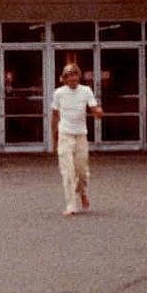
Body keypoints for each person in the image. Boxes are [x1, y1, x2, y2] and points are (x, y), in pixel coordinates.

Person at [50, 63, 104, 216]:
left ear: (79, 77)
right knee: (67, 171)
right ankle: (71, 205)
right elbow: (54, 116)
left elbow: (94, 109)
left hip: (80, 135)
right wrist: (55, 139)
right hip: (65, 135)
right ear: (64, 79)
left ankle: (82, 192)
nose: (72, 79)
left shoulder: (86, 91)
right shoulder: (59, 93)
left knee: (81, 171)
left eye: (75, 75)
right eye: (69, 76)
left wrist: (98, 112)